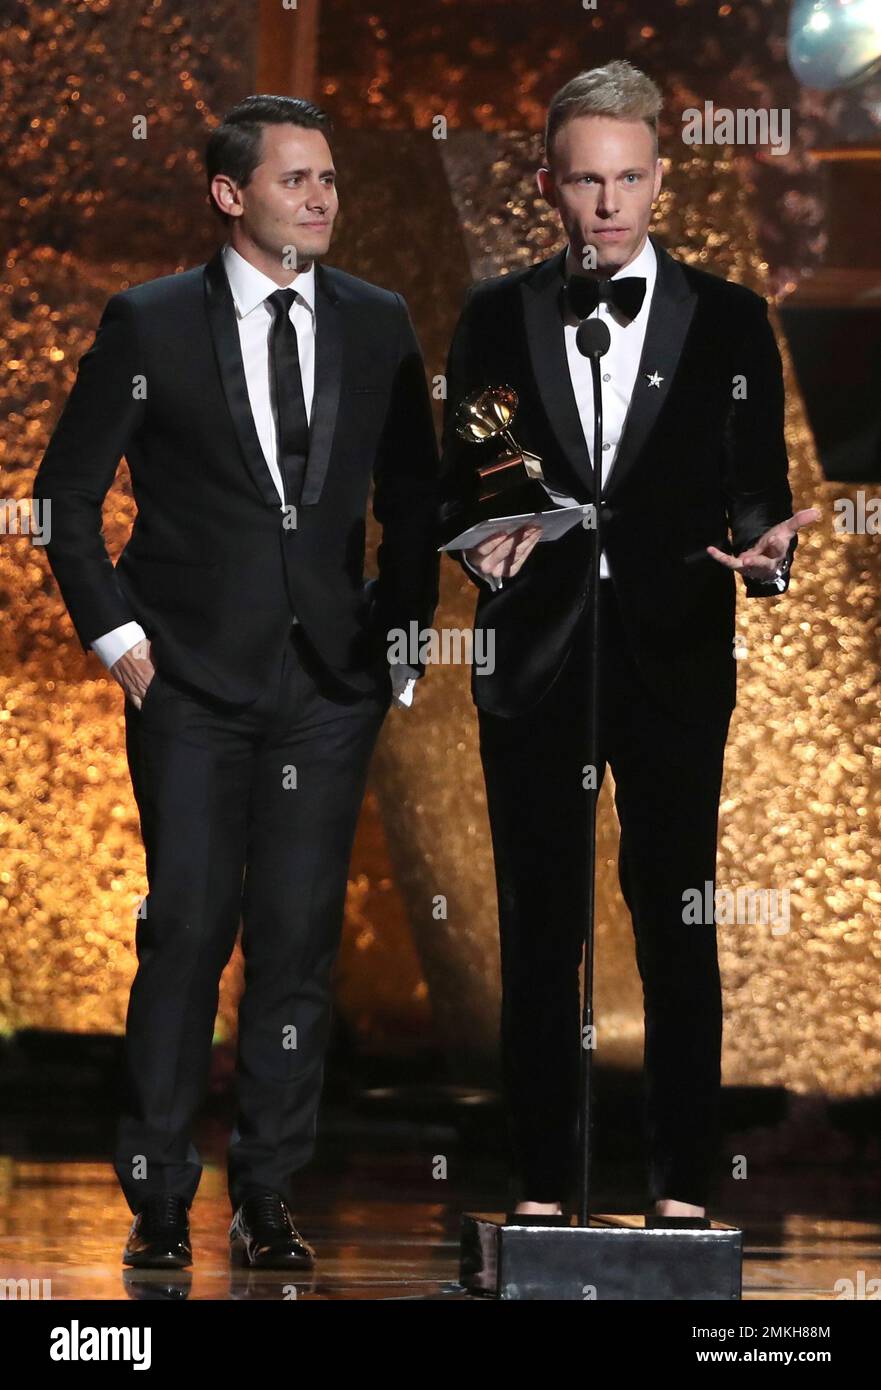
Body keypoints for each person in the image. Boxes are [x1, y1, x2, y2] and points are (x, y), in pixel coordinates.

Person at [33, 93, 438, 1268]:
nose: (320, 198)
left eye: (328, 180)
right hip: (191, 683)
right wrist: (121, 645)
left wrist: (402, 632)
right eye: (295, 179)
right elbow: (65, 501)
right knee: (187, 933)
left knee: (298, 944)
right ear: (229, 194)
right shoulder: (150, 324)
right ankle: (161, 1195)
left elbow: (413, 499)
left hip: (330, 680)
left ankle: (267, 1194)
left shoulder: (377, 321)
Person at [440, 60, 819, 1223]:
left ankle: (681, 1190)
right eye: (585, 182)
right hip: (537, 654)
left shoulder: (730, 318)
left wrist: (768, 554)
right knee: (538, 922)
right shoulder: (495, 317)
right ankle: (545, 1191)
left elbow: (755, 492)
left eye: (629, 180)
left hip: (672, 651)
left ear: (658, 181)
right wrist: (482, 542)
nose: (608, 204)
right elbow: (471, 477)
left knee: (676, 913)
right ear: (550, 186)